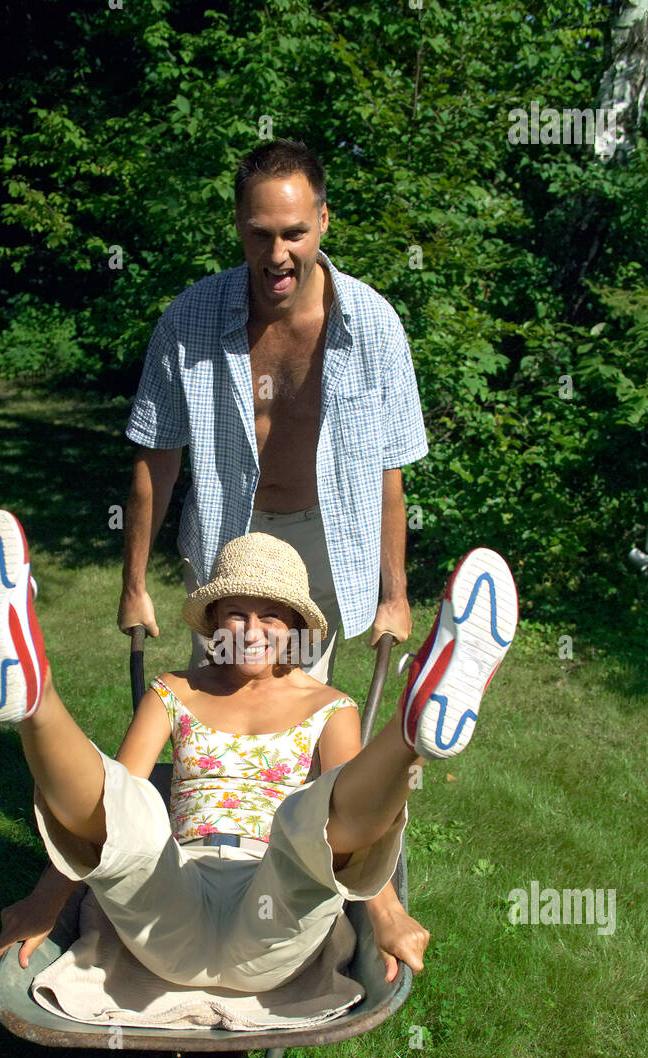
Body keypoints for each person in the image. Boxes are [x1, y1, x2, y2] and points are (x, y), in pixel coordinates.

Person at [0, 513, 517, 996]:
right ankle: (33, 697)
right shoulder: (173, 692)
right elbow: (108, 815)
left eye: (270, 616)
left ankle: (411, 730)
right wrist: (44, 901)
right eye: (237, 613)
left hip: (273, 908)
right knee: (140, 812)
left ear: (295, 626)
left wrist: (388, 916)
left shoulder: (329, 706)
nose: (252, 630)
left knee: (306, 821)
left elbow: (350, 829)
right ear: (214, 620)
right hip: (172, 896)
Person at [117, 138, 430, 685]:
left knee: (295, 701)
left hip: (324, 539)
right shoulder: (189, 321)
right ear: (238, 223)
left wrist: (396, 595)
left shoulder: (375, 326)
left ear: (324, 219)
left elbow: (388, 474)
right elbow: (157, 460)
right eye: (260, 233)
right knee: (220, 690)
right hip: (226, 532)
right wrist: (134, 586)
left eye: (294, 233)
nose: (277, 254)